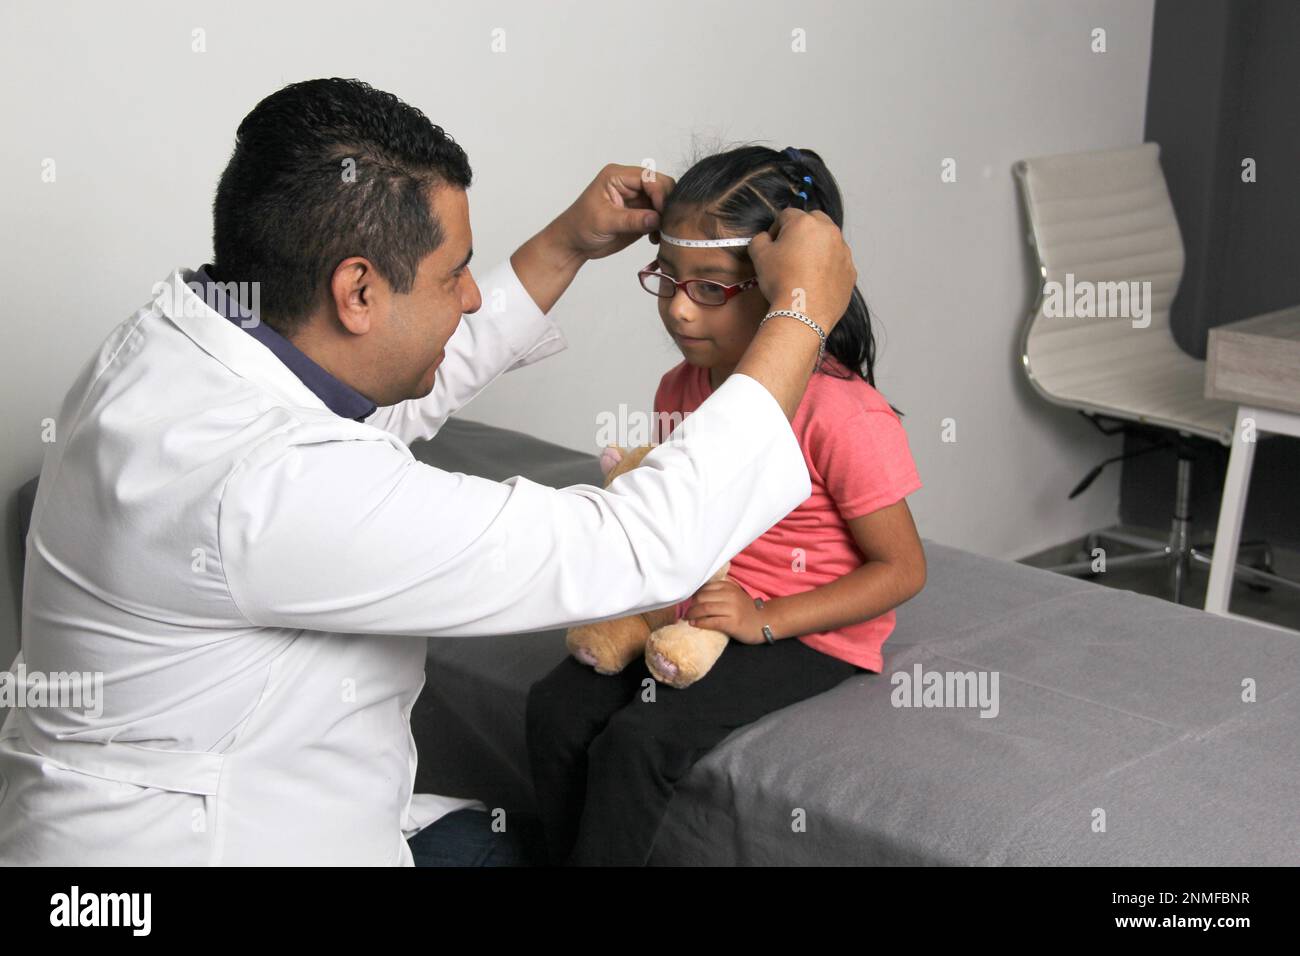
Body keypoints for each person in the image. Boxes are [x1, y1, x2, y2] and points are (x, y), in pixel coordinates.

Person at [0, 82, 858, 865]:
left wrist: (565, 244)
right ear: (358, 292)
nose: (472, 298)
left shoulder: (182, 336)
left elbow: (375, 391)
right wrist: (800, 312)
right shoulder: (267, 486)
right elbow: (636, 544)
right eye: (454, 277)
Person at [526, 145, 926, 866]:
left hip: (803, 625)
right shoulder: (682, 385)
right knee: (555, 709)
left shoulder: (844, 414)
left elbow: (900, 570)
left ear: (783, 288)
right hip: (699, 605)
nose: (678, 308)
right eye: (668, 280)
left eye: (710, 288)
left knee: (639, 743)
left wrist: (762, 620)